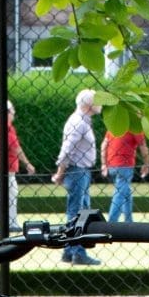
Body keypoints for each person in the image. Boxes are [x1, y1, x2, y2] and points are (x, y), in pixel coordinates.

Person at [51, 88, 103, 266]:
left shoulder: (81, 121)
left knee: (80, 210)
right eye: (97, 101)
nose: (100, 104)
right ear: (88, 104)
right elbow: (67, 149)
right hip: (78, 170)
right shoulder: (79, 122)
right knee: (78, 213)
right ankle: (78, 252)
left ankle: (69, 250)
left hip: (80, 170)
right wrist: (60, 171)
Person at [0, 102, 38, 237]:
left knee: (5, 194)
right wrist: (28, 163)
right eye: (13, 111)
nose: (14, 115)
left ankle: (9, 223)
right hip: (3, 167)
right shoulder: (5, 126)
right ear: (7, 112)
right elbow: (15, 147)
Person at [102, 125, 149, 224]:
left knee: (125, 190)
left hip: (111, 165)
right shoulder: (135, 128)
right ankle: (111, 222)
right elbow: (143, 147)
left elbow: (104, 145)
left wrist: (103, 164)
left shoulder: (115, 125)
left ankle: (129, 220)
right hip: (125, 165)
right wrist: (146, 164)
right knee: (120, 193)